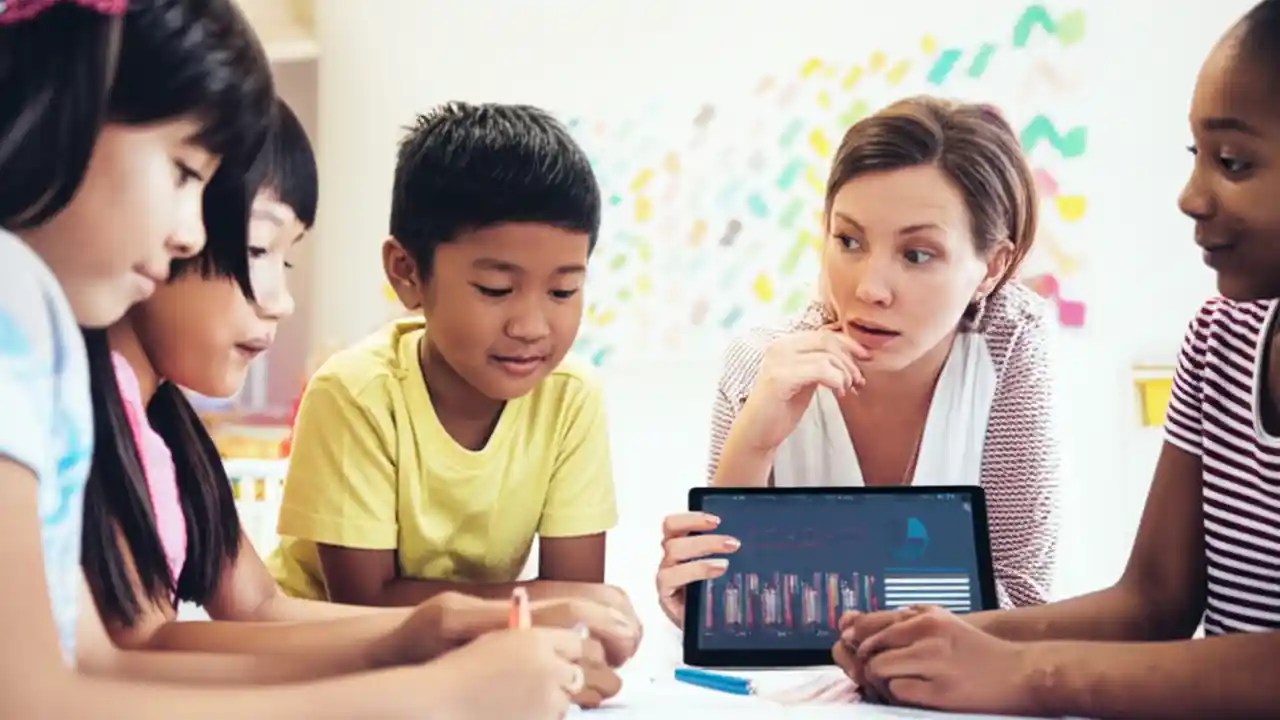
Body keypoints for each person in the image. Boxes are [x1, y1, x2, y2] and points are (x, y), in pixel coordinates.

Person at [0, 3, 598, 718]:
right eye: (186, 172)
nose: (189, 234)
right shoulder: (21, 304)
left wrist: (427, 637)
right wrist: (432, 695)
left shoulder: (68, 350)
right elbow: (51, 691)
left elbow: (111, 657)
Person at [82, 96, 635, 701]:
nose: (281, 300)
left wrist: (439, 629)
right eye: (258, 250)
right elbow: (133, 651)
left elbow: (255, 607)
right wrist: (429, 677)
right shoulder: (70, 412)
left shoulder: (163, 426)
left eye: (285, 258)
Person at [835, 3, 1280, 717]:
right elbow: (1155, 602)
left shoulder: (1011, 345)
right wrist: (941, 641)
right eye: (1196, 158)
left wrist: (1029, 673)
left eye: (1234, 163)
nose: (1192, 197)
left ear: (991, 266)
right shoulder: (1220, 339)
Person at [656, 96, 1062, 628]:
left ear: (992, 266)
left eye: (917, 255)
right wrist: (755, 441)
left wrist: (810, 591)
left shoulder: (1008, 349)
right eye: (848, 241)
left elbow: (1023, 603)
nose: (869, 289)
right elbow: (722, 611)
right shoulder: (762, 365)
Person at [266, 102, 640, 626]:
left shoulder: (570, 396)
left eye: (563, 290)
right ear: (407, 273)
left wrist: (569, 618)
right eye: (496, 289)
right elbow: (363, 606)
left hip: (470, 648)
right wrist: (546, 604)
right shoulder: (354, 393)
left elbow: (575, 597)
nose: (532, 325)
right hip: (325, 650)